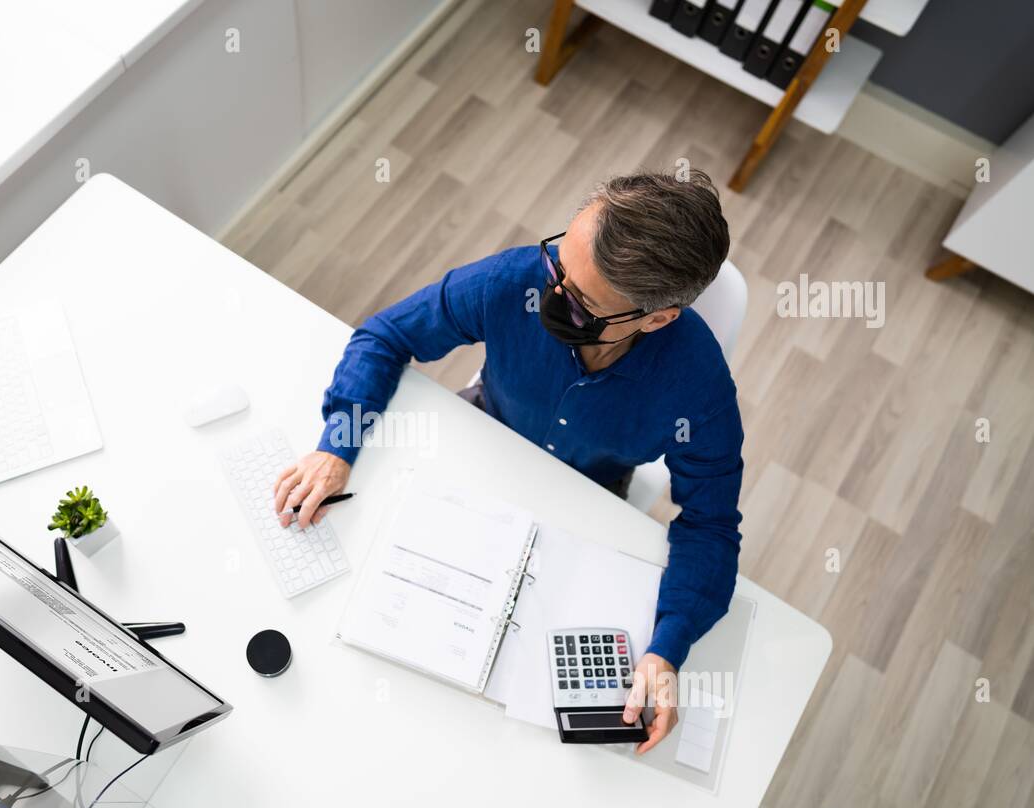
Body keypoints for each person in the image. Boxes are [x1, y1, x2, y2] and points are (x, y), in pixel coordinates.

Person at [273, 169, 742, 753]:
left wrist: (667, 647)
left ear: (655, 318)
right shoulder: (517, 278)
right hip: (479, 447)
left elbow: (712, 526)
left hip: (585, 499)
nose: (549, 296)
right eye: (558, 268)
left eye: (581, 302)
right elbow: (386, 335)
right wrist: (336, 444)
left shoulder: (698, 387)